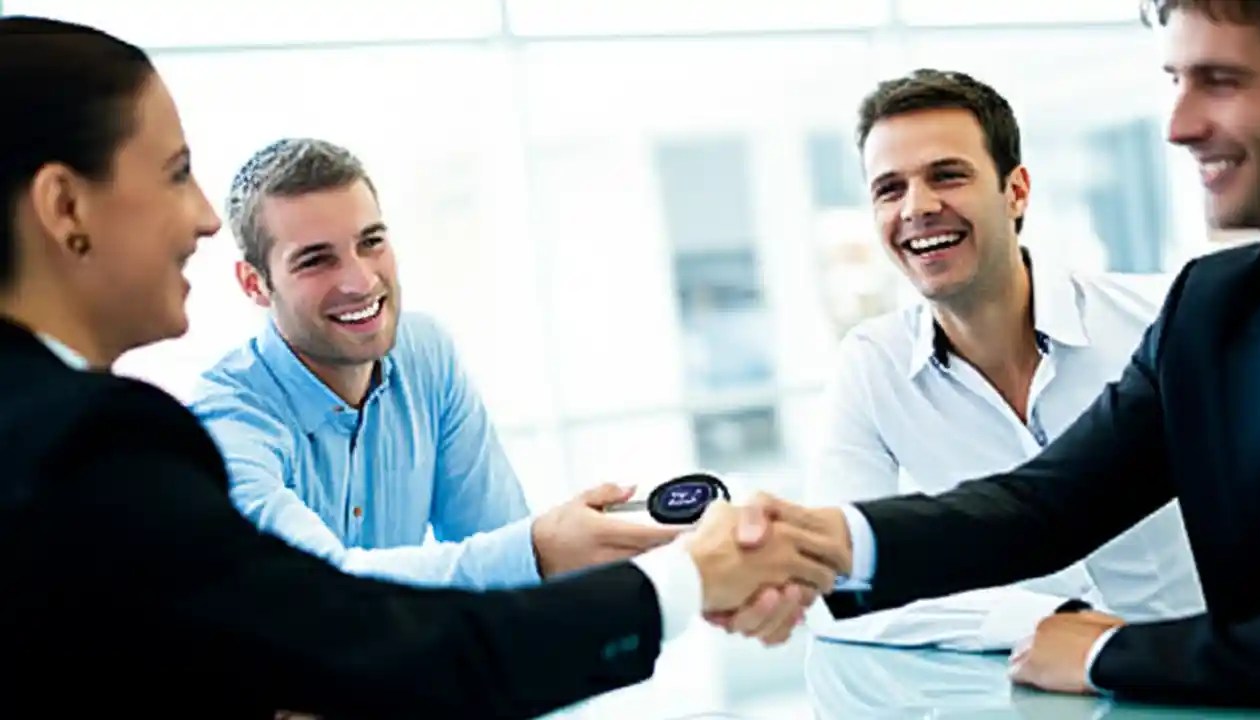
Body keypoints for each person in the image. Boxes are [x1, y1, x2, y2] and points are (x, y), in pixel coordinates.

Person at [0, 16, 848, 717]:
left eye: (371, 241)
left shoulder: (422, 352)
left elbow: (493, 579)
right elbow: (334, 614)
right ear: (64, 207)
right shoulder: (109, 440)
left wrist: (574, 559)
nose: (200, 218)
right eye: (177, 173)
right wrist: (673, 582)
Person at [737, 0, 1260, 707]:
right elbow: (1049, 504)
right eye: (1175, 81)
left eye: (1221, 80)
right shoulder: (1211, 308)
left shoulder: (1155, 307)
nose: (1178, 127)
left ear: (1015, 191)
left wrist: (1110, 651)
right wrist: (828, 540)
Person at [808, 68, 1203, 652]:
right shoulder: (871, 366)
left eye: (947, 175)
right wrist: (1045, 623)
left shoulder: (1162, 317)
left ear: (1015, 191)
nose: (917, 207)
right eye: (889, 189)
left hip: (1214, 674)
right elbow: (835, 586)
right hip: (1026, 689)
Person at [189, 137, 675, 590]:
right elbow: (321, 586)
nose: (360, 281)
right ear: (254, 284)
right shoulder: (228, 421)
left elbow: (499, 545)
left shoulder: (424, 354)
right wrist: (541, 548)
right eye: (316, 260)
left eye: (371, 242)